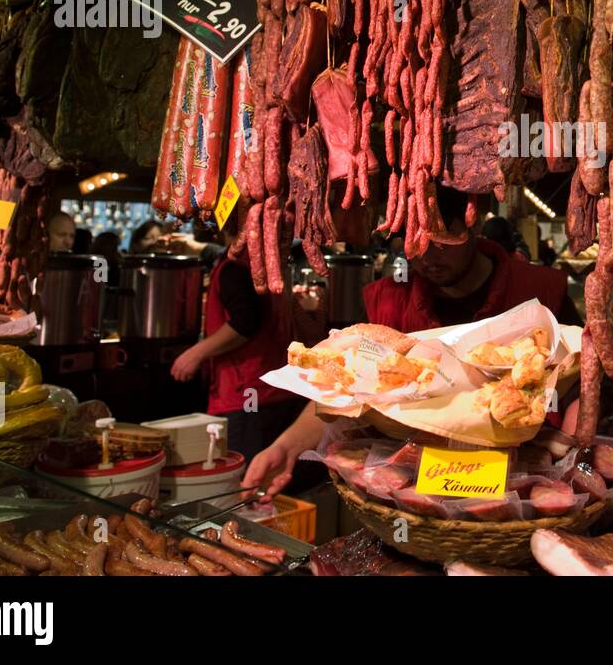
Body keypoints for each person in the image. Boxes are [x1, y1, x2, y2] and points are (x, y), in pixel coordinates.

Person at [243, 186, 581, 498]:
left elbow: (581, 381)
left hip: (518, 486)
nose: (427, 258)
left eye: (440, 241)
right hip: (409, 491)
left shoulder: (539, 291)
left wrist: (567, 464)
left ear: (470, 226)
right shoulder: (385, 301)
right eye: (413, 244)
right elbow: (344, 389)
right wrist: (287, 446)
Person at [169, 210, 302, 462]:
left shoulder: (235, 267)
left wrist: (195, 354)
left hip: (247, 396)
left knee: (244, 480)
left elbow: (244, 324)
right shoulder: (264, 261)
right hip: (278, 391)